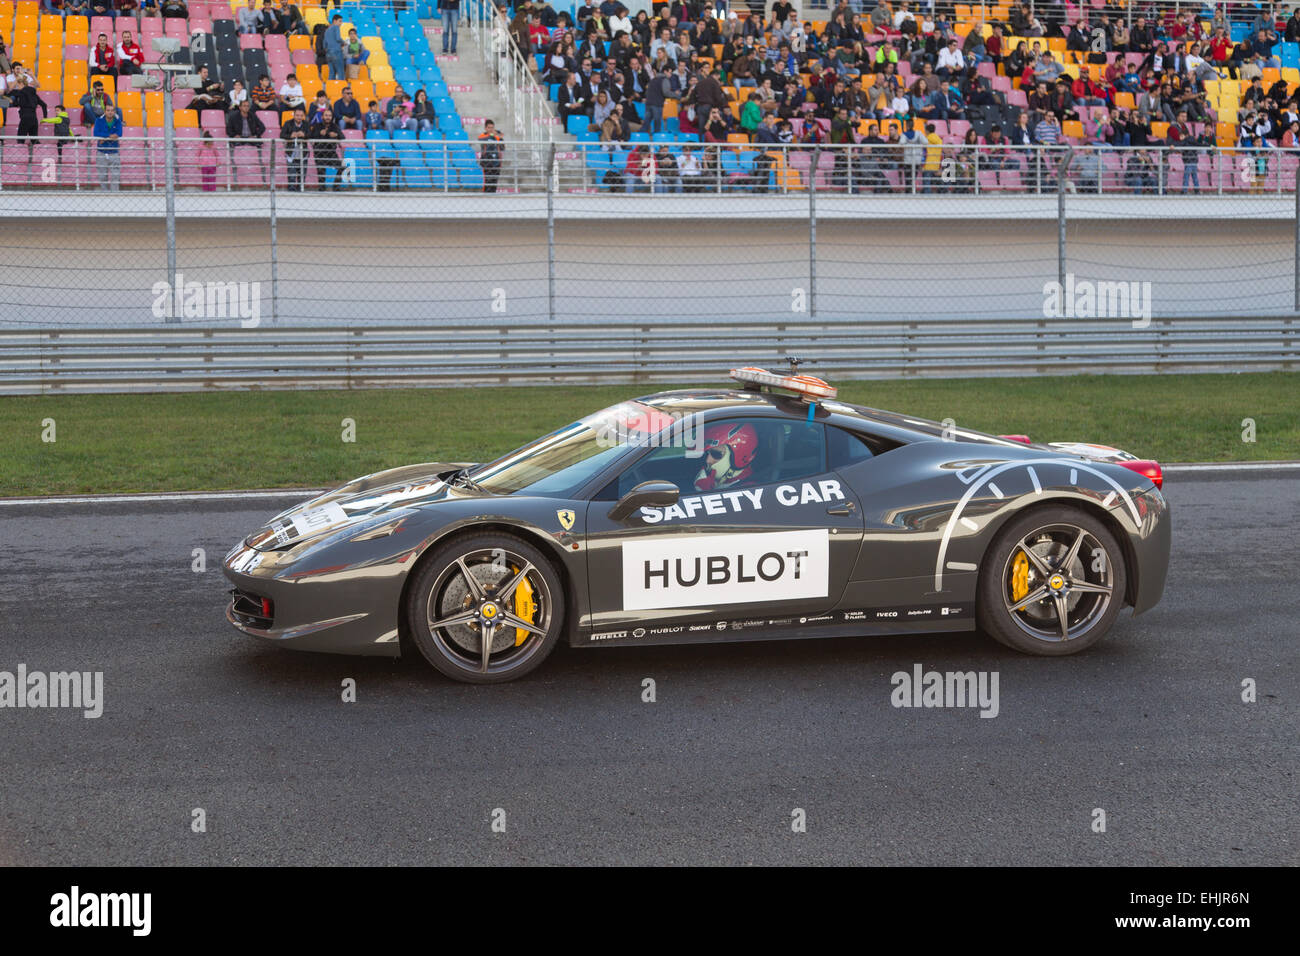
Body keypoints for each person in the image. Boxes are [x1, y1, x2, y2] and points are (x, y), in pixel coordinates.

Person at [695, 423, 757, 491]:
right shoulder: (721, 480)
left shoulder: (748, 490)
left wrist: (705, 494)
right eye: (707, 453)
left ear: (739, 455)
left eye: (716, 454)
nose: (708, 460)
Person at [225, 98, 266, 178]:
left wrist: (255, 135)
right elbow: (228, 129)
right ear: (240, 107)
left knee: (259, 147)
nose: (246, 108)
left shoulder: (252, 115)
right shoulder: (233, 116)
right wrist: (234, 135)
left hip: (251, 139)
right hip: (239, 139)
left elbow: (262, 127)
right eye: (244, 106)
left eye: (247, 106)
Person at [309, 106, 343, 189]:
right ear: (322, 117)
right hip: (319, 153)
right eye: (326, 115)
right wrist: (319, 134)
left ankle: (336, 186)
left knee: (343, 168)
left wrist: (336, 135)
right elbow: (310, 136)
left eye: (330, 116)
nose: (328, 117)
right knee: (321, 173)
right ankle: (322, 188)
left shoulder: (334, 126)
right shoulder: (317, 126)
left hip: (331, 153)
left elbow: (342, 136)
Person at [93, 103, 123, 190]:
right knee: (102, 176)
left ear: (114, 112)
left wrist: (104, 138)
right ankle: (104, 193)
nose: (110, 112)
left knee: (115, 176)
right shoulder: (98, 120)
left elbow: (119, 133)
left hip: (114, 152)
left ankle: (114, 194)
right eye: (108, 110)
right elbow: (96, 133)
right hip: (101, 152)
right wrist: (111, 136)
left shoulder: (118, 121)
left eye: (112, 110)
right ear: (105, 111)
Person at [280, 105, 310, 191]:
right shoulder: (287, 123)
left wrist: (304, 135)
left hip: (303, 151)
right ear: (294, 115)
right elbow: (282, 134)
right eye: (297, 115)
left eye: (301, 115)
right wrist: (290, 136)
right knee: (291, 171)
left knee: (302, 171)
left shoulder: (306, 124)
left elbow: (310, 134)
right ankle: (291, 188)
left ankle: (301, 188)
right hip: (291, 151)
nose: (299, 117)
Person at [477, 118, 503, 192]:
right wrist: (492, 135)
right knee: (487, 182)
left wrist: (500, 138)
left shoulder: (497, 137)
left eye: (492, 127)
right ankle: (485, 197)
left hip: (496, 162)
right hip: (486, 162)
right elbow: (480, 140)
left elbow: (502, 147)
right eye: (489, 127)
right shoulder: (483, 135)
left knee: (494, 182)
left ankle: (493, 197)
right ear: (485, 128)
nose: (491, 129)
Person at [324, 14, 345, 83]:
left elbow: (324, 44)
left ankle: (330, 89)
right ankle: (341, 87)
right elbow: (338, 38)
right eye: (340, 21)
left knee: (331, 72)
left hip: (328, 53)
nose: (341, 23)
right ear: (334, 21)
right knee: (340, 71)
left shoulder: (327, 30)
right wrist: (344, 42)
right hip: (336, 52)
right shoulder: (336, 27)